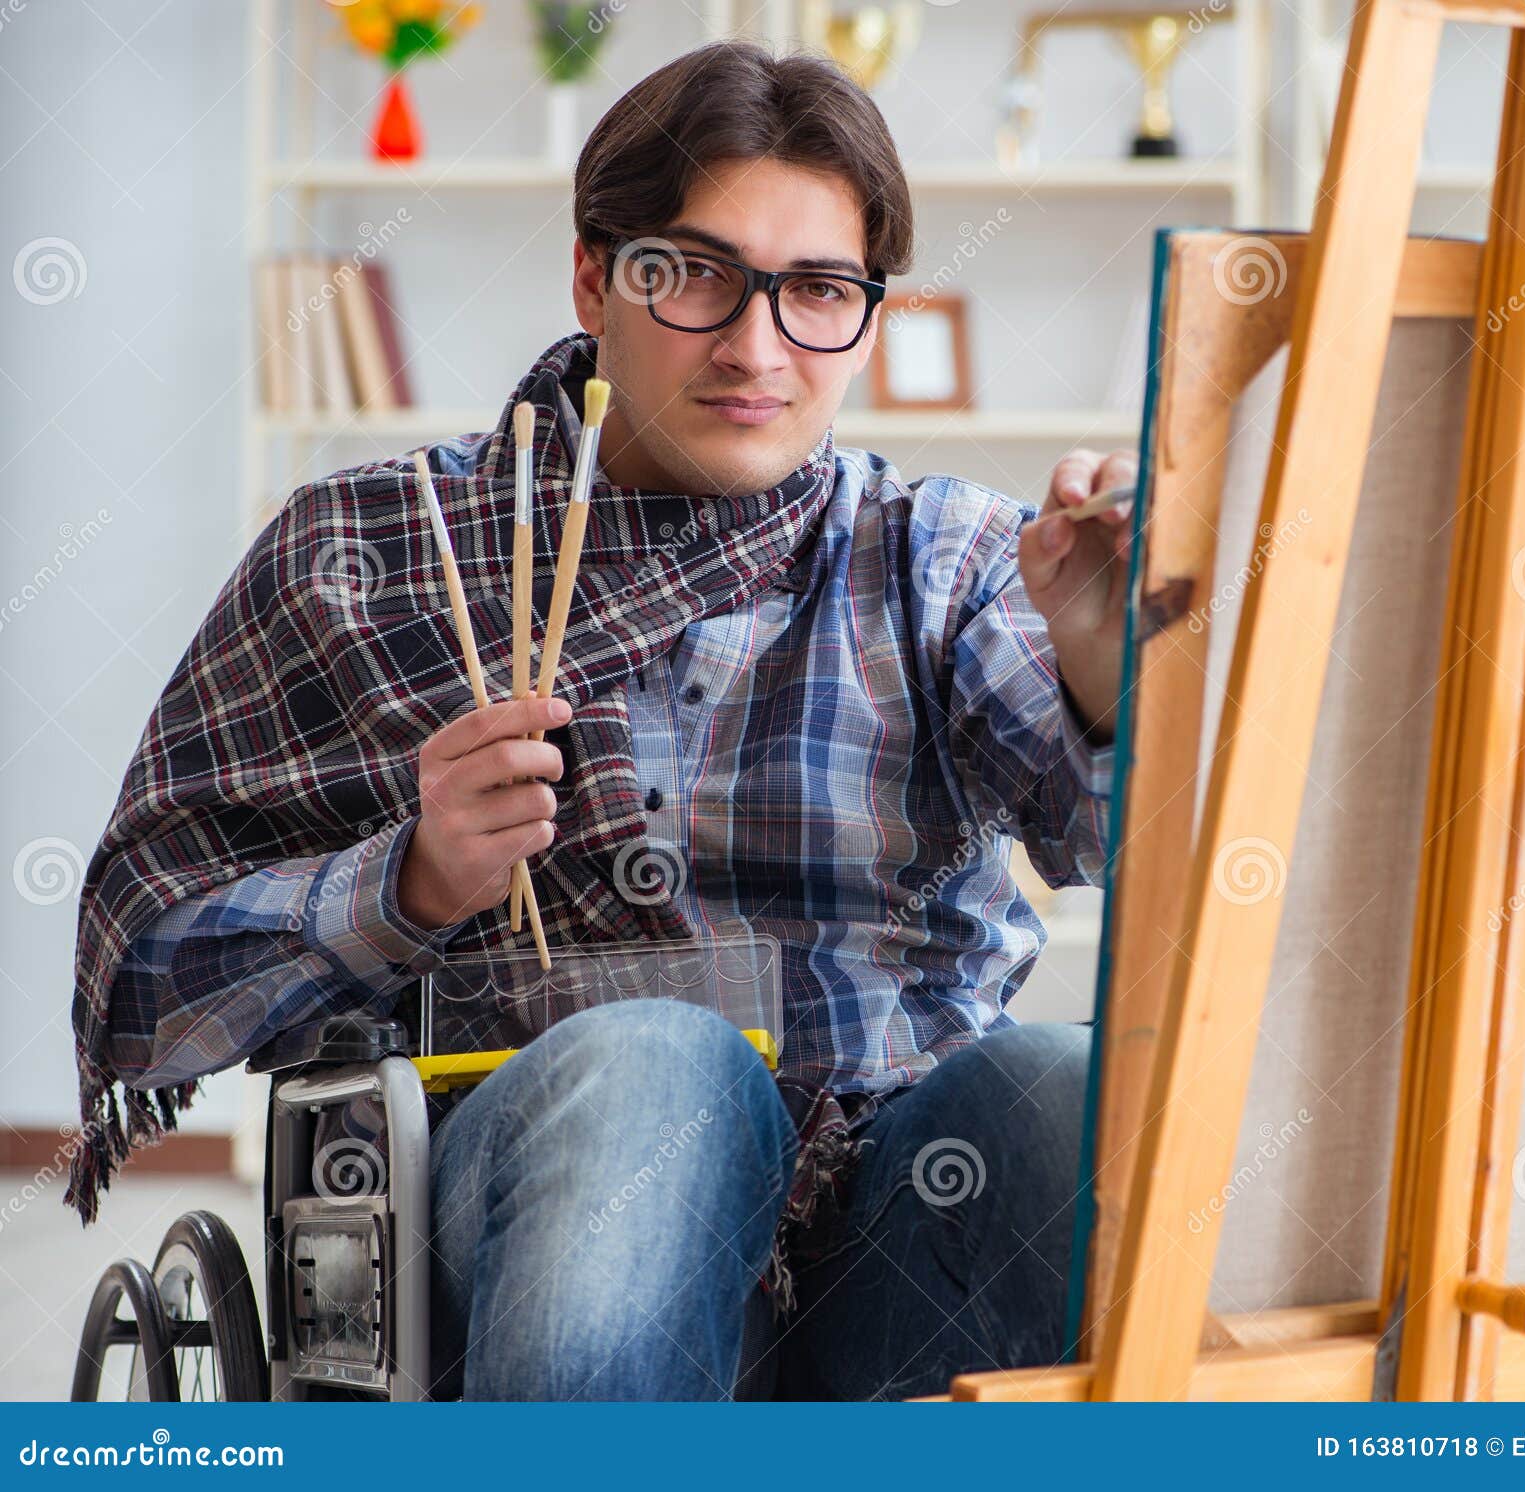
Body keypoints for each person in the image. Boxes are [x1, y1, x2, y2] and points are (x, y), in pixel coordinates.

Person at [73, 40, 1136, 1401]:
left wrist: (1109, 670)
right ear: (594, 274)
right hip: (521, 1236)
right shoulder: (371, 546)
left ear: (872, 314)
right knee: (656, 1065)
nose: (756, 349)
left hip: (896, 1238)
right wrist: (409, 881)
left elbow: (1142, 864)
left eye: (818, 291)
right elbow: (146, 978)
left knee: (1059, 1083)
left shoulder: (948, 560)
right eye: (690, 275)